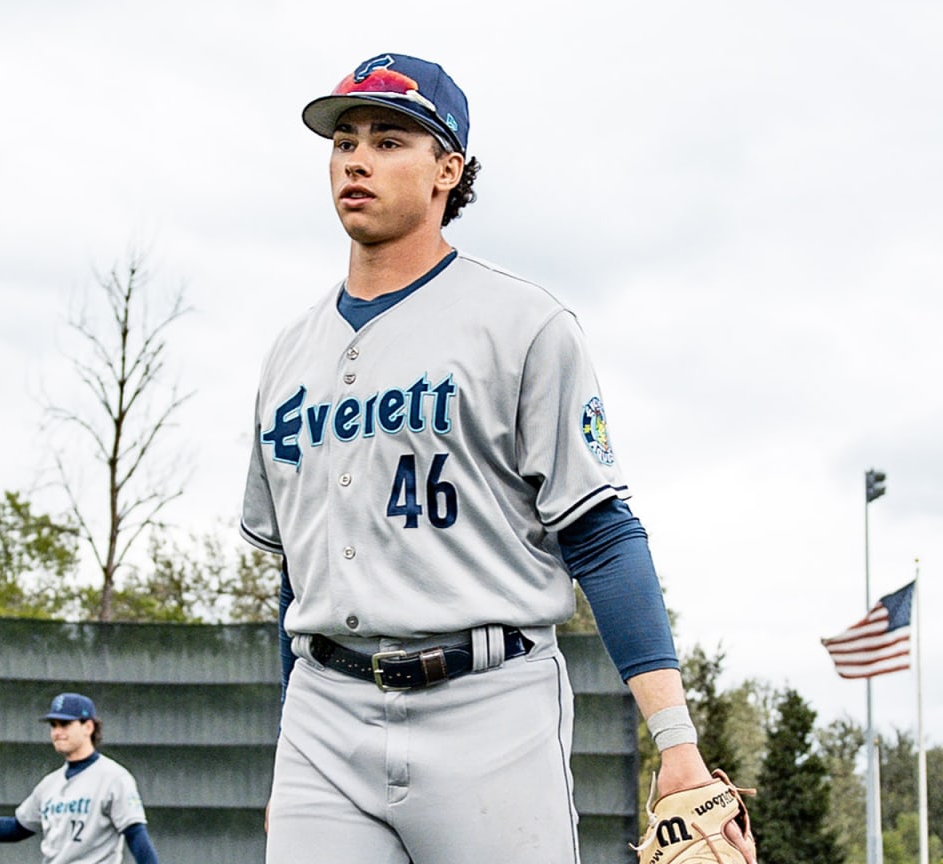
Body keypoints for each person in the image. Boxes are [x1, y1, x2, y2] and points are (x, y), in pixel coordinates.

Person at [239, 53, 757, 864]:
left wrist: (677, 743)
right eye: (345, 140)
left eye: (389, 138)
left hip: (489, 710)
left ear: (449, 169)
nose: (357, 158)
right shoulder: (287, 357)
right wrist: (285, 747)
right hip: (323, 719)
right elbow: (294, 579)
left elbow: (602, 533)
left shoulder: (521, 325)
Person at [0, 692, 161, 864]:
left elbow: (135, 833)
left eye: (65, 724)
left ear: (88, 727)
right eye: (53, 724)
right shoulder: (50, 785)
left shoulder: (113, 777)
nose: (56, 732)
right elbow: (16, 828)